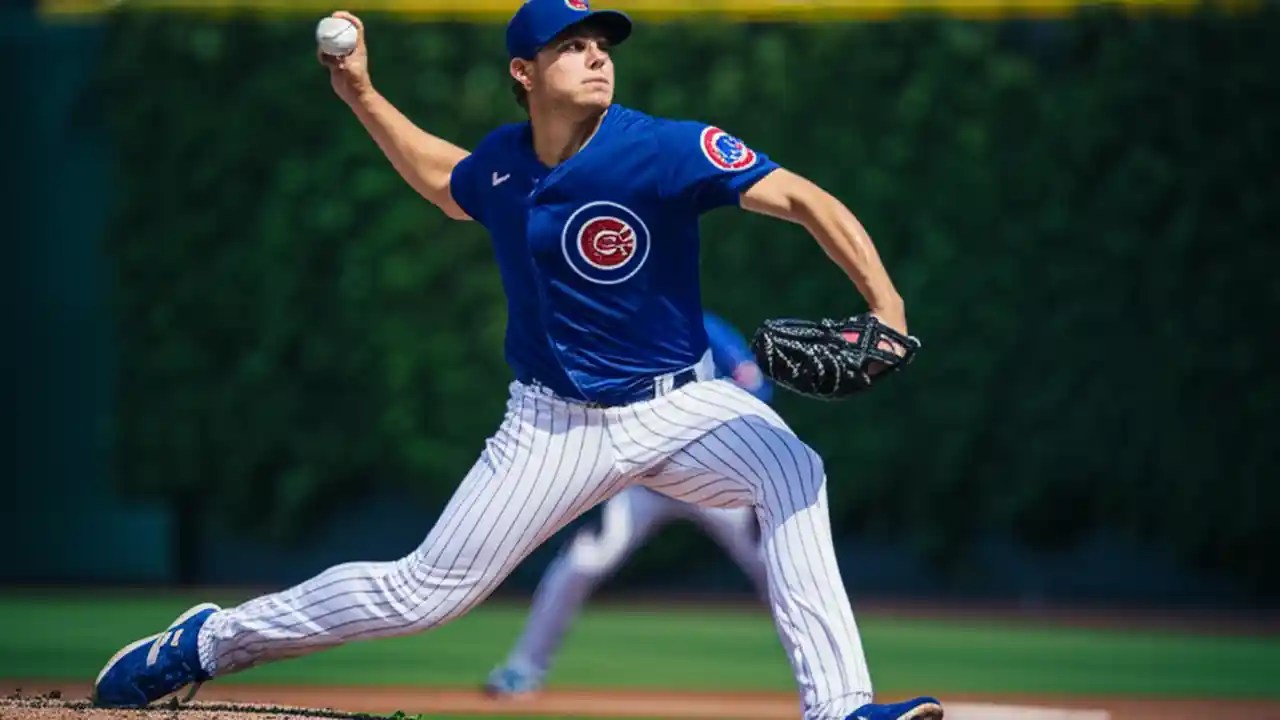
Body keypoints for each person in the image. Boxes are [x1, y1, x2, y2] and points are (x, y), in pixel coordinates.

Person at [92, 2, 942, 719]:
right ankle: (207, 640)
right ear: (524, 74)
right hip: (552, 426)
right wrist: (359, 93)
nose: (595, 56)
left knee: (793, 470)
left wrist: (887, 308)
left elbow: (802, 197)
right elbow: (441, 178)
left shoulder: (664, 148)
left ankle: (839, 708)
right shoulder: (503, 167)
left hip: (681, 406)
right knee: (422, 596)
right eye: (571, 45)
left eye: (602, 44)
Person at [483, 311, 773, 697]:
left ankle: (822, 686)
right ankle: (523, 668)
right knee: (583, 561)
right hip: (643, 483)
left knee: (775, 567)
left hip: (713, 482)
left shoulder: (704, 329)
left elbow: (756, 388)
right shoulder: (624, 332)